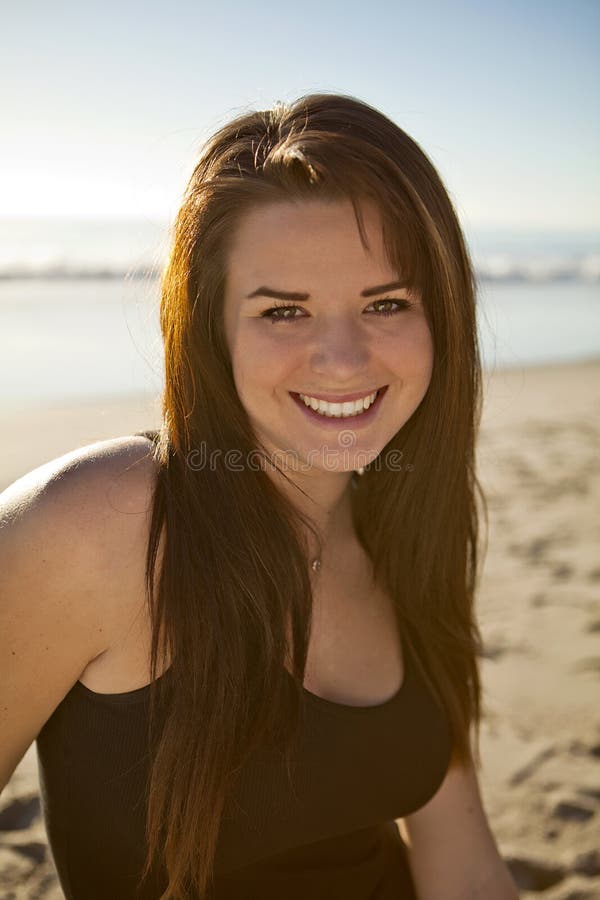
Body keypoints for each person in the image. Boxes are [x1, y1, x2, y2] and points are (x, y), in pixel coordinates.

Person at [0, 92, 520, 899]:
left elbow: (465, 864)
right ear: (212, 328)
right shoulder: (99, 522)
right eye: (284, 311)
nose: (342, 359)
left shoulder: (407, 529)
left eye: (386, 303)